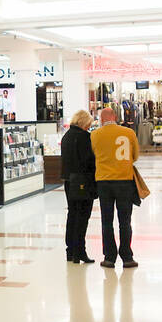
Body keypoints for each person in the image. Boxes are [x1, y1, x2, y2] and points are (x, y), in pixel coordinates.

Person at [89, 107, 140, 269]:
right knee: (125, 221)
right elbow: (135, 156)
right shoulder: (129, 133)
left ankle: (109, 257)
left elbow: (93, 155)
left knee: (107, 221)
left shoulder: (95, 135)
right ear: (115, 117)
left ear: (101, 119)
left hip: (104, 182)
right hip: (125, 180)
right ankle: (127, 257)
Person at [60, 110, 97, 264]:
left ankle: (70, 250)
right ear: (83, 122)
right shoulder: (85, 138)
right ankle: (79, 252)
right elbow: (89, 161)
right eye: (88, 123)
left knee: (72, 214)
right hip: (83, 181)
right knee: (82, 216)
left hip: (69, 181)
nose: (89, 126)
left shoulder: (66, 136)